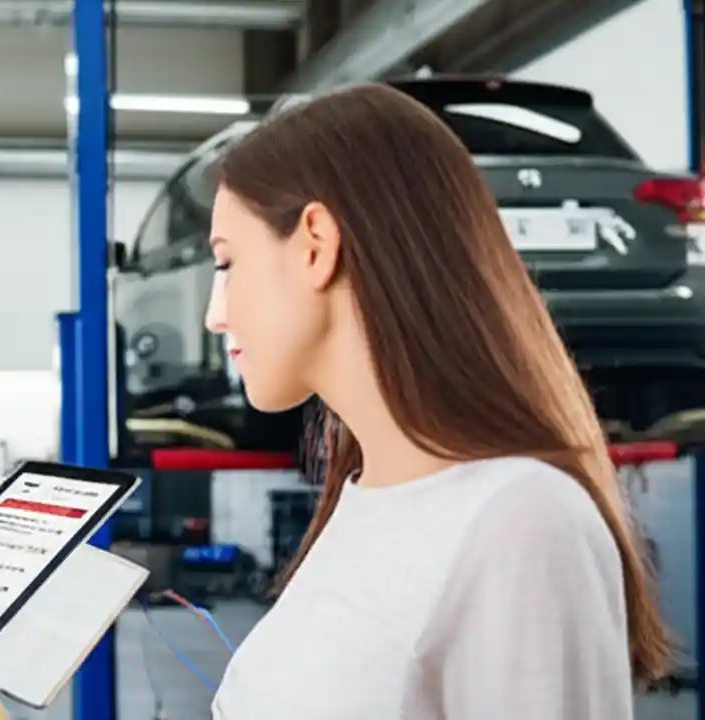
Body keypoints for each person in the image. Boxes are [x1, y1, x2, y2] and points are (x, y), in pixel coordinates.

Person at [204, 83, 671, 718]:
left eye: (227, 265)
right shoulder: (365, 500)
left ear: (315, 243)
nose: (214, 315)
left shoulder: (518, 522)